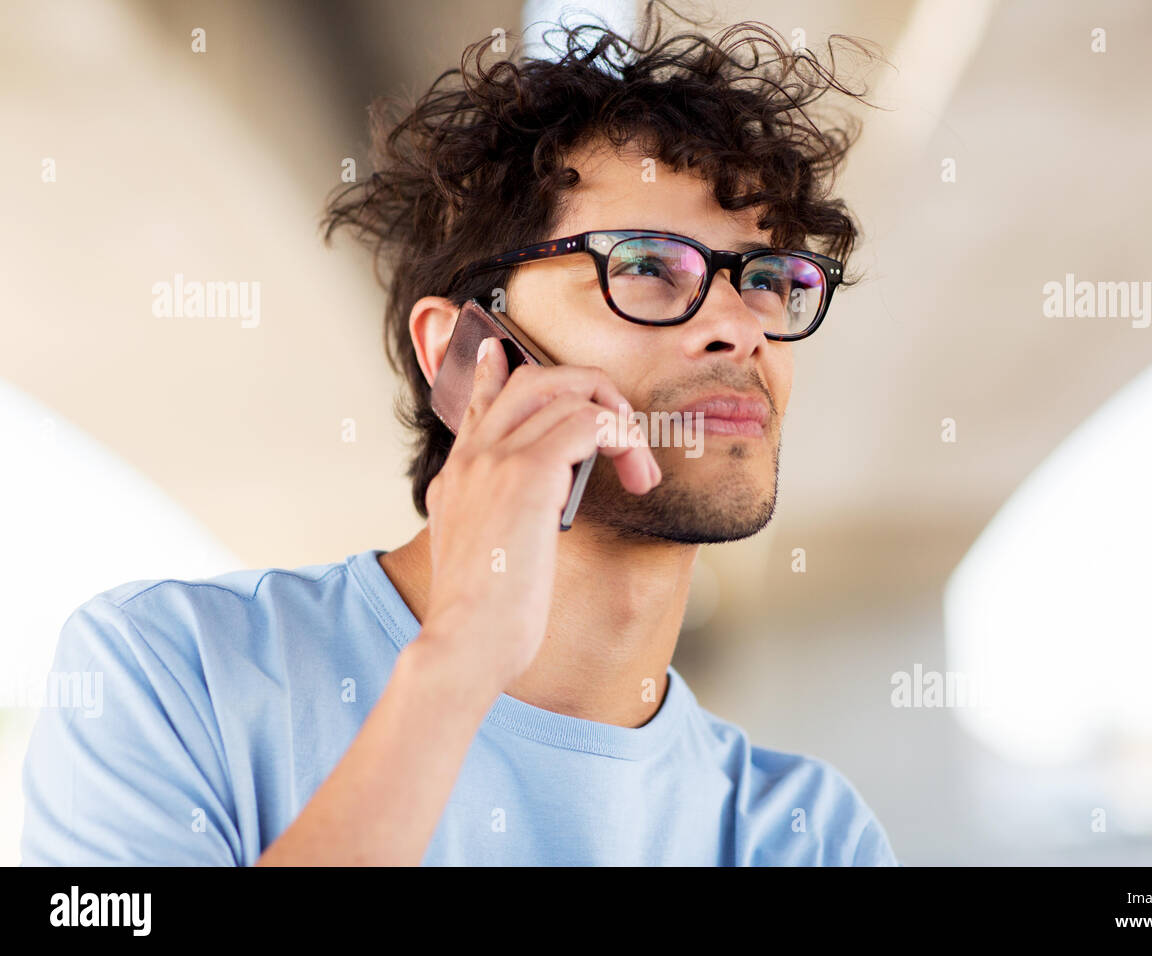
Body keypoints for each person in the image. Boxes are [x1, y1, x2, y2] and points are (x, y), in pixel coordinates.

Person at [21, 6, 897, 866]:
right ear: (468, 355)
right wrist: (459, 660)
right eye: (645, 267)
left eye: (771, 279)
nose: (741, 328)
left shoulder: (812, 835)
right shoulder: (169, 677)